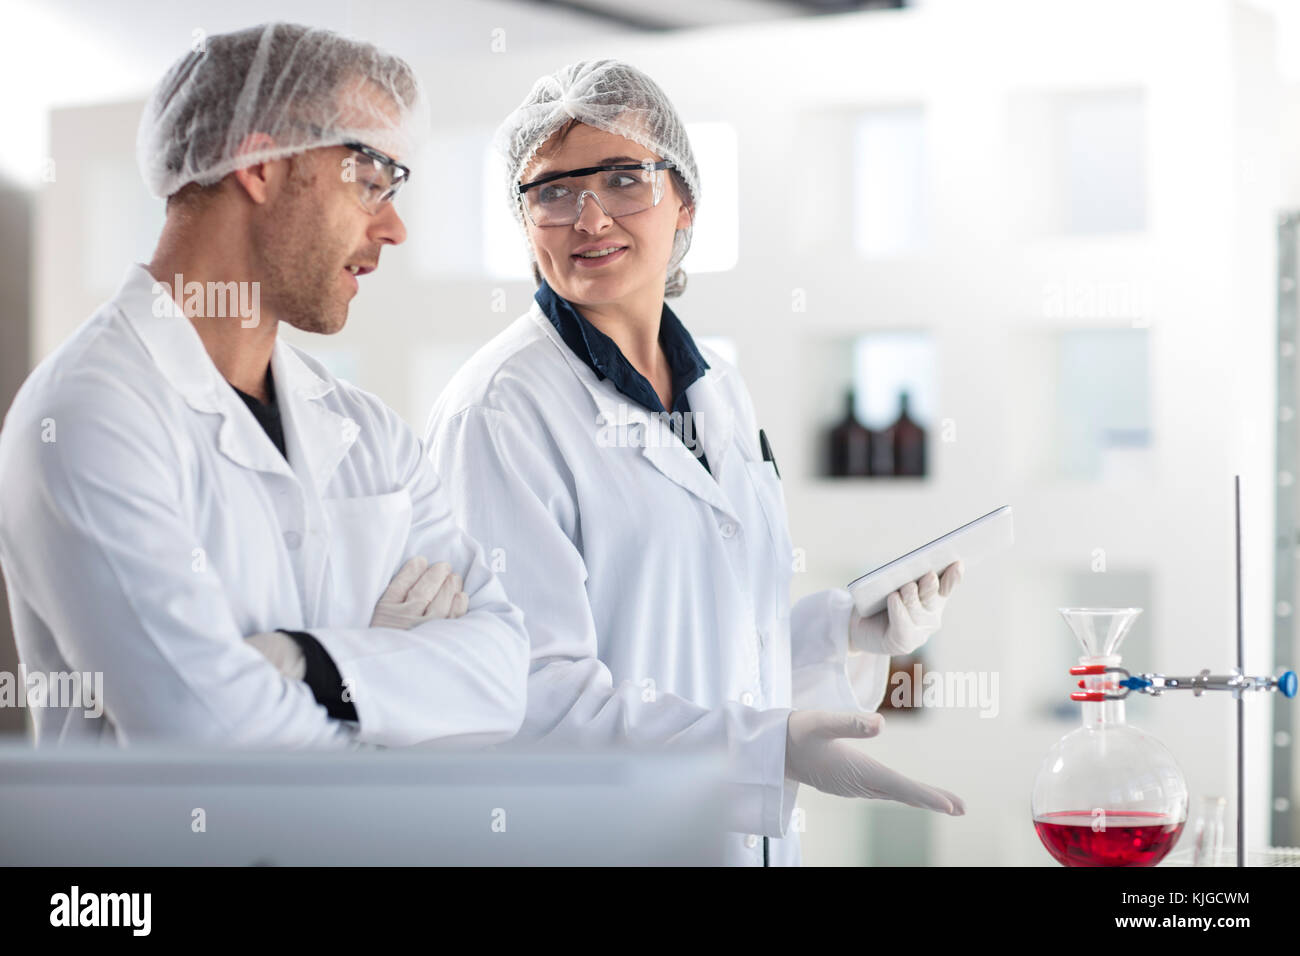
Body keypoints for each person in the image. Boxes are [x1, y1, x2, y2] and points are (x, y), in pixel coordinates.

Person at [424, 59, 965, 866]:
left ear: (684, 202)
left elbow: (706, 633)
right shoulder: (502, 410)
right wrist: (763, 748)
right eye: (553, 192)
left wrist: (841, 629)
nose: (589, 217)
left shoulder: (717, 387)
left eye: (621, 178)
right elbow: (526, 694)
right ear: (525, 218)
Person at [0, 23, 528, 747]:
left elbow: (502, 675)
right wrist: (391, 689)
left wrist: (304, 661)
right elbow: (211, 735)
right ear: (260, 165)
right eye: (371, 181)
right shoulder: (89, 415)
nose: (396, 227)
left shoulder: (368, 434)